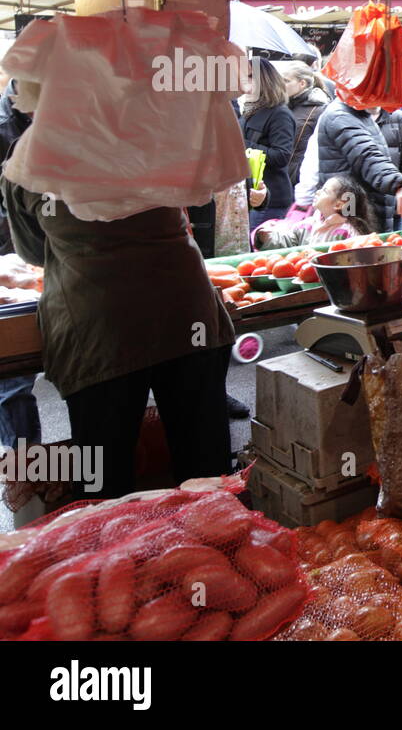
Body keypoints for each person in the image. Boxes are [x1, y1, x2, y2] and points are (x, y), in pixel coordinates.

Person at [1, 95, 236, 500]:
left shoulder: (29, 155)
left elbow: (31, 251)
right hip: (185, 308)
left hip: (100, 324)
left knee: (104, 476)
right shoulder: (151, 131)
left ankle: (121, 557)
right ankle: (220, 547)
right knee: (207, 466)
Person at [0, 76, 39, 453]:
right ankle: (28, 472)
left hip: (49, 263)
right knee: (13, 381)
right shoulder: (4, 131)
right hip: (11, 260)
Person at [314, 98, 402, 234]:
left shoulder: (361, 113)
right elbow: (367, 155)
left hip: (372, 207)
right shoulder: (340, 115)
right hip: (351, 210)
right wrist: (399, 184)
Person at [241, 57, 297, 229]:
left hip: (271, 200)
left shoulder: (280, 114)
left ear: (264, 80)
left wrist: (241, 144)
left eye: (250, 76)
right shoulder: (249, 110)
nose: (244, 81)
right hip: (251, 197)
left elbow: (282, 156)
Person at [253, 175, 375, 250]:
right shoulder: (307, 224)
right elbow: (290, 241)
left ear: (339, 204)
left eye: (325, 191)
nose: (317, 192)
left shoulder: (346, 232)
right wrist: (267, 238)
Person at [281, 61, 331, 188]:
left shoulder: (319, 110)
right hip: (279, 178)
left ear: (302, 83)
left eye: (286, 81)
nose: (281, 85)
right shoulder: (281, 106)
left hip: (300, 182)